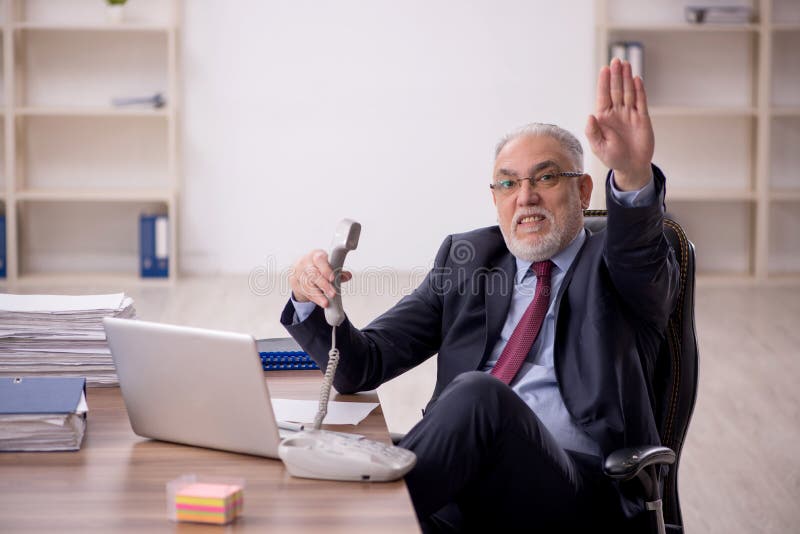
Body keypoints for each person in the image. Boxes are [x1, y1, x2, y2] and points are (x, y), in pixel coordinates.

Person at [281, 58, 679, 532]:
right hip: (465, 484)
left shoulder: (620, 265)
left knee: (478, 395)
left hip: (577, 493)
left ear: (584, 189)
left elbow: (640, 251)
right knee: (350, 456)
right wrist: (310, 298)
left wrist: (634, 177)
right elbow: (359, 366)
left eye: (546, 178)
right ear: (496, 200)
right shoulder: (468, 259)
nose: (525, 195)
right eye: (508, 183)